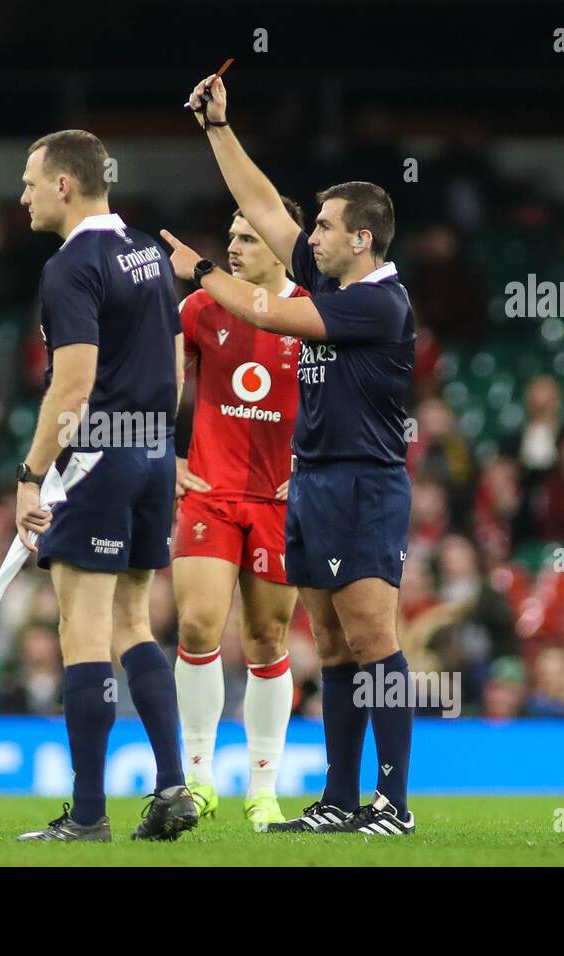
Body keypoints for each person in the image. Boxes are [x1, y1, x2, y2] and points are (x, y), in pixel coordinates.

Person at [161, 73, 417, 835]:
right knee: (332, 644)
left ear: (360, 239)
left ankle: (392, 804)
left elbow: (264, 306)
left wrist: (202, 271)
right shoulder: (337, 283)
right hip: (311, 484)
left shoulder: (377, 303)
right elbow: (270, 207)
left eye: (326, 229)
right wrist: (217, 129)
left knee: (375, 640)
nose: (310, 239)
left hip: (363, 483)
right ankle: (340, 799)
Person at [12, 129, 196, 842]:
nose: (22, 196)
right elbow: (177, 358)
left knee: (81, 630)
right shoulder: (150, 249)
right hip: (152, 453)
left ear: (65, 185)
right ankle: (172, 784)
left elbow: (74, 385)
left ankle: (88, 814)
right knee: (135, 624)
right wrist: (161, 446)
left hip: (99, 454)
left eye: (30, 182)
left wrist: (31, 476)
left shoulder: (70, 266)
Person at [172, 201, 307, 828]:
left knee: (266, 639)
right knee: (198, 626)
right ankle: (198, 779)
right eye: (230, 235)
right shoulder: (200, 307)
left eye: (249, 238)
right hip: (209, 492)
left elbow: (345, 400)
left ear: (283, 247)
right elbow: (160, 379)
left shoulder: (311, 315)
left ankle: (264, 787)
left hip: (279, 500)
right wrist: (161, 455)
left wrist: (310, 467)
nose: (234, 246)